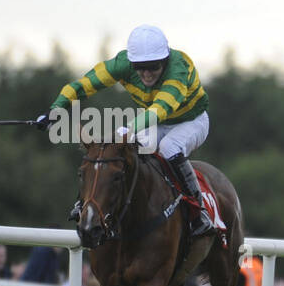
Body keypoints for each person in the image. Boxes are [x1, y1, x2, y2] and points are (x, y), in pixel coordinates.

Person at [41, 24, 214, 237]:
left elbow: (159, 110)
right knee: (111, 148)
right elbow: (82, 85)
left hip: (191, 121)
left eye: (154, 67)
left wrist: (128, 132)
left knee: (168, 147)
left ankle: (199, 212)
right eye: (141, 67)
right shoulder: (121, 64)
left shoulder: (179, 67)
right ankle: (83, 203)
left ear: (165, 61)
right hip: (154, 120)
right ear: (132, 63)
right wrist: (55, 109)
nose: (147, 74)